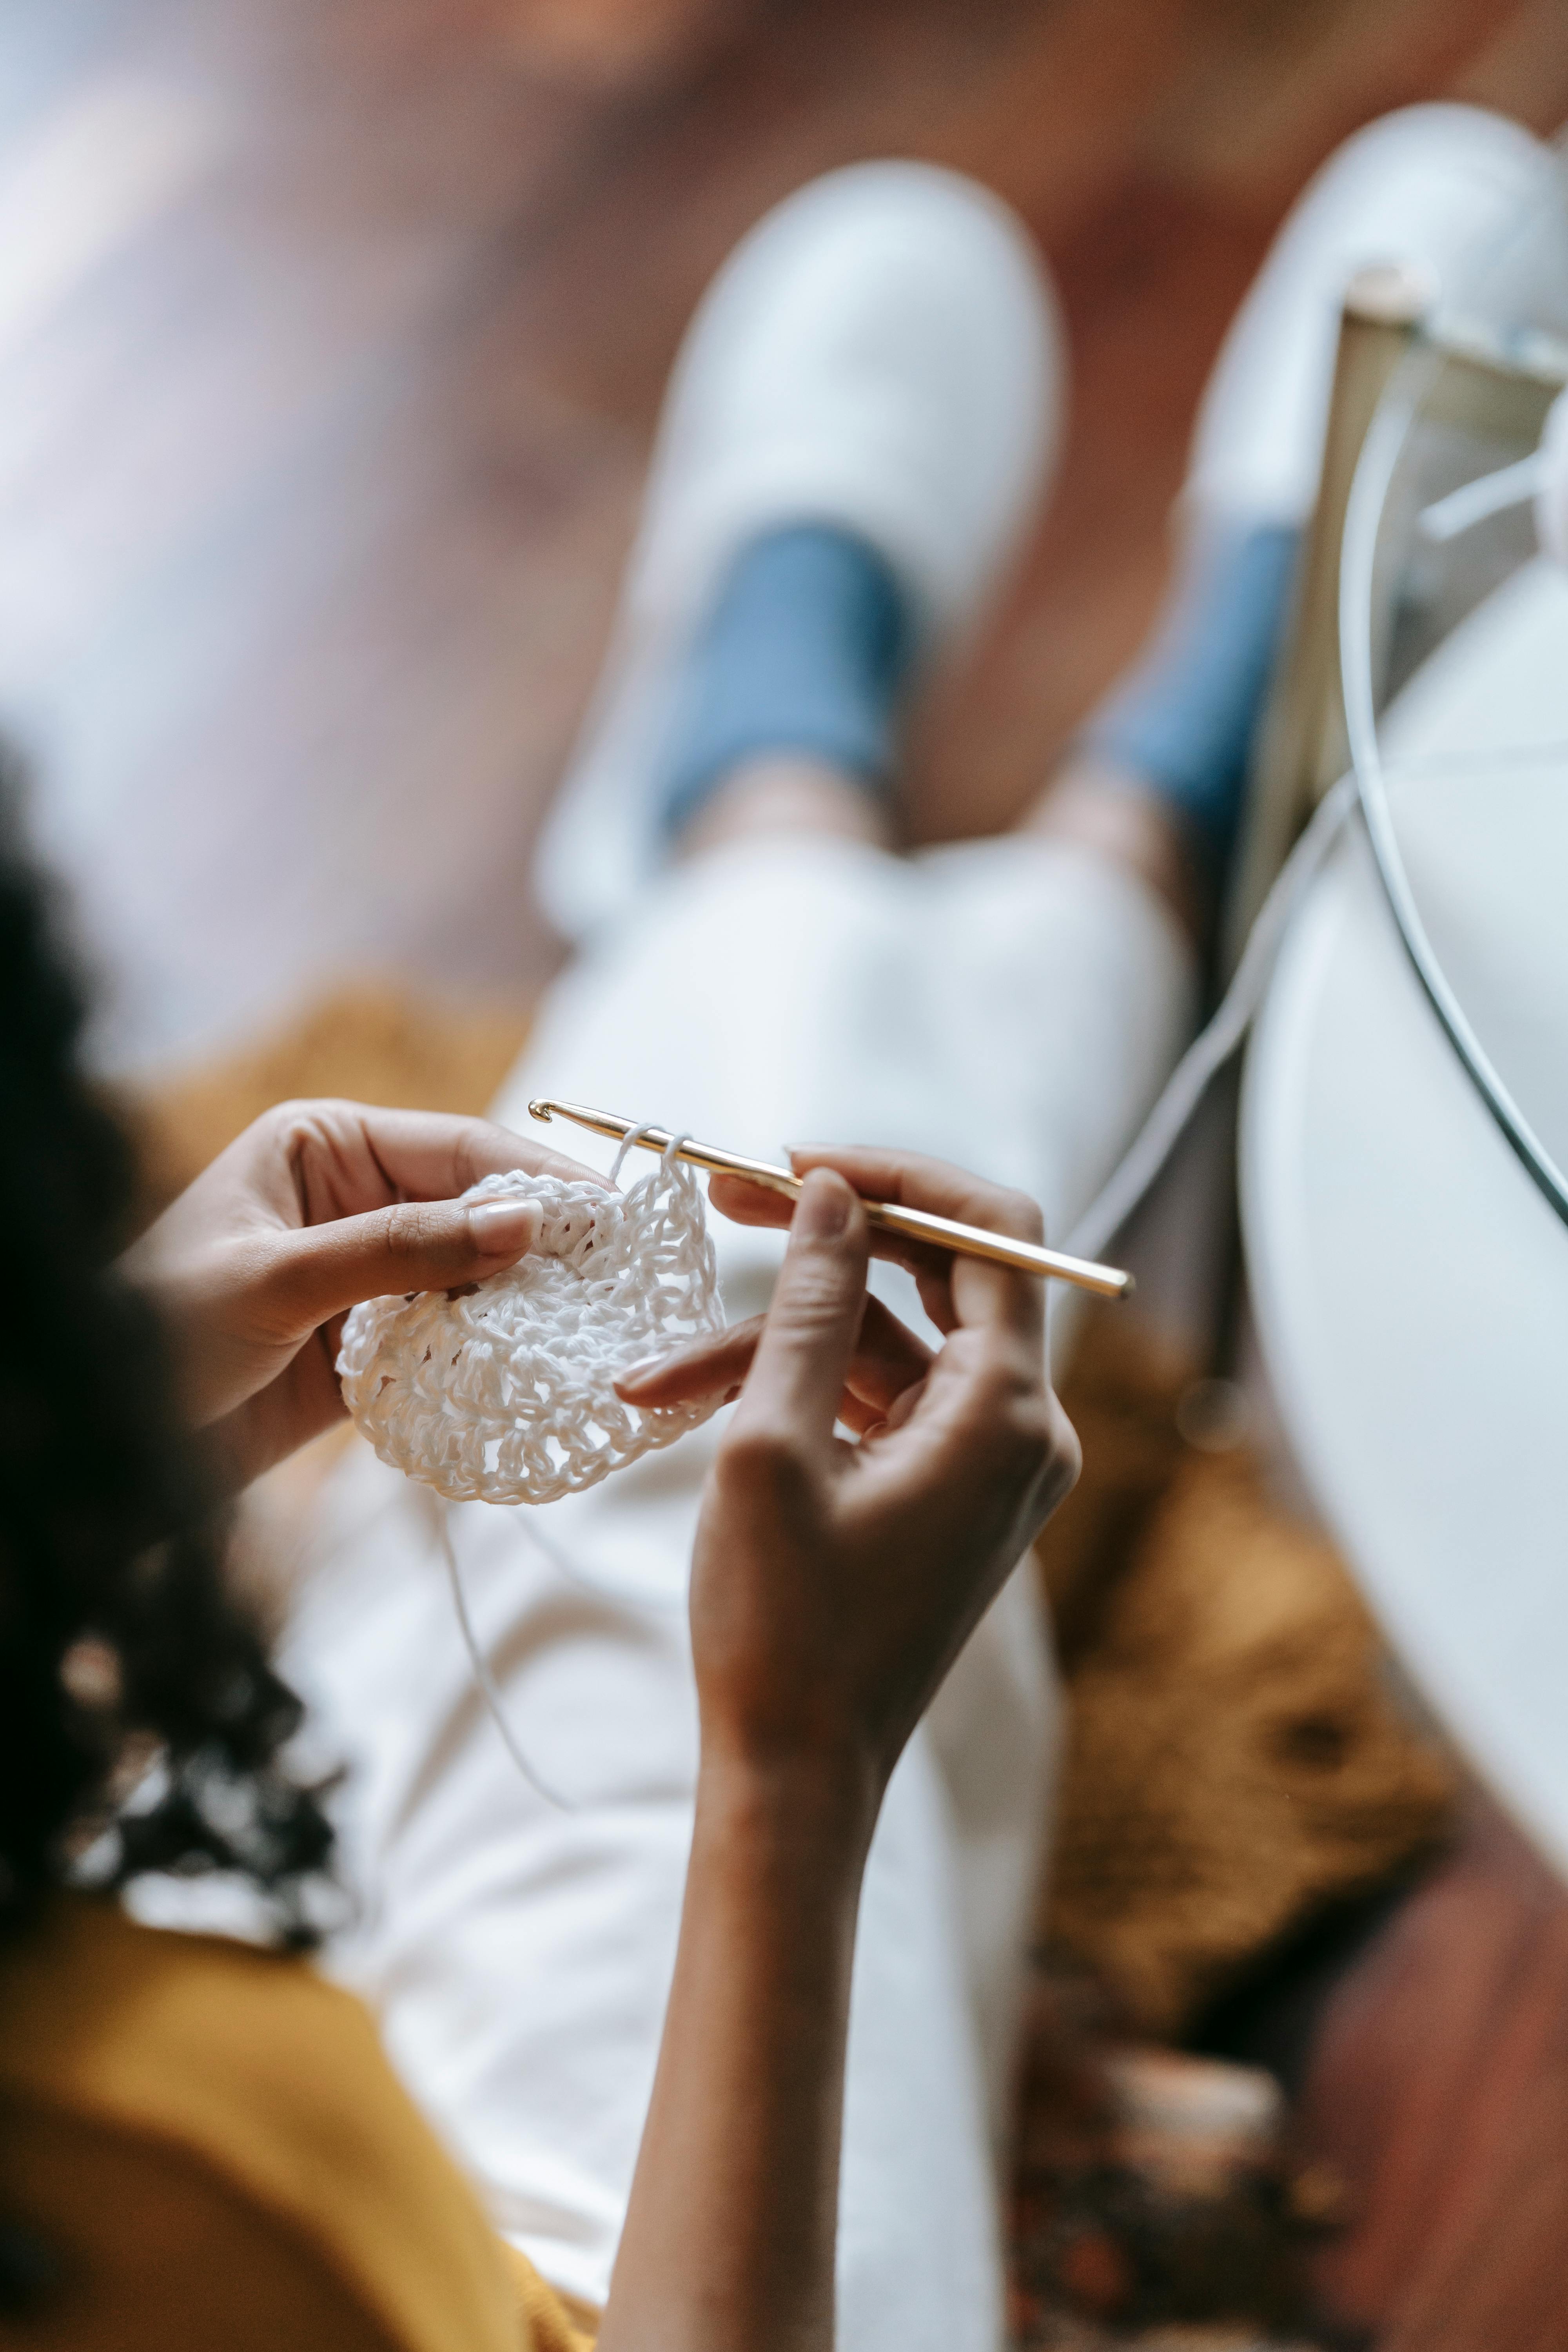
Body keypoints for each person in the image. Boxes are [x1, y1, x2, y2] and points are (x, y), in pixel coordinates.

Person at [0, 102, 1551, 2352]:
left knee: (636, 1375)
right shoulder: (166, 2204)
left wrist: (83, 1488)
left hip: (286, 2031)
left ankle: (897, 810)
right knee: (695, 1386)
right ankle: (969, 813)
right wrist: (798, 1777)